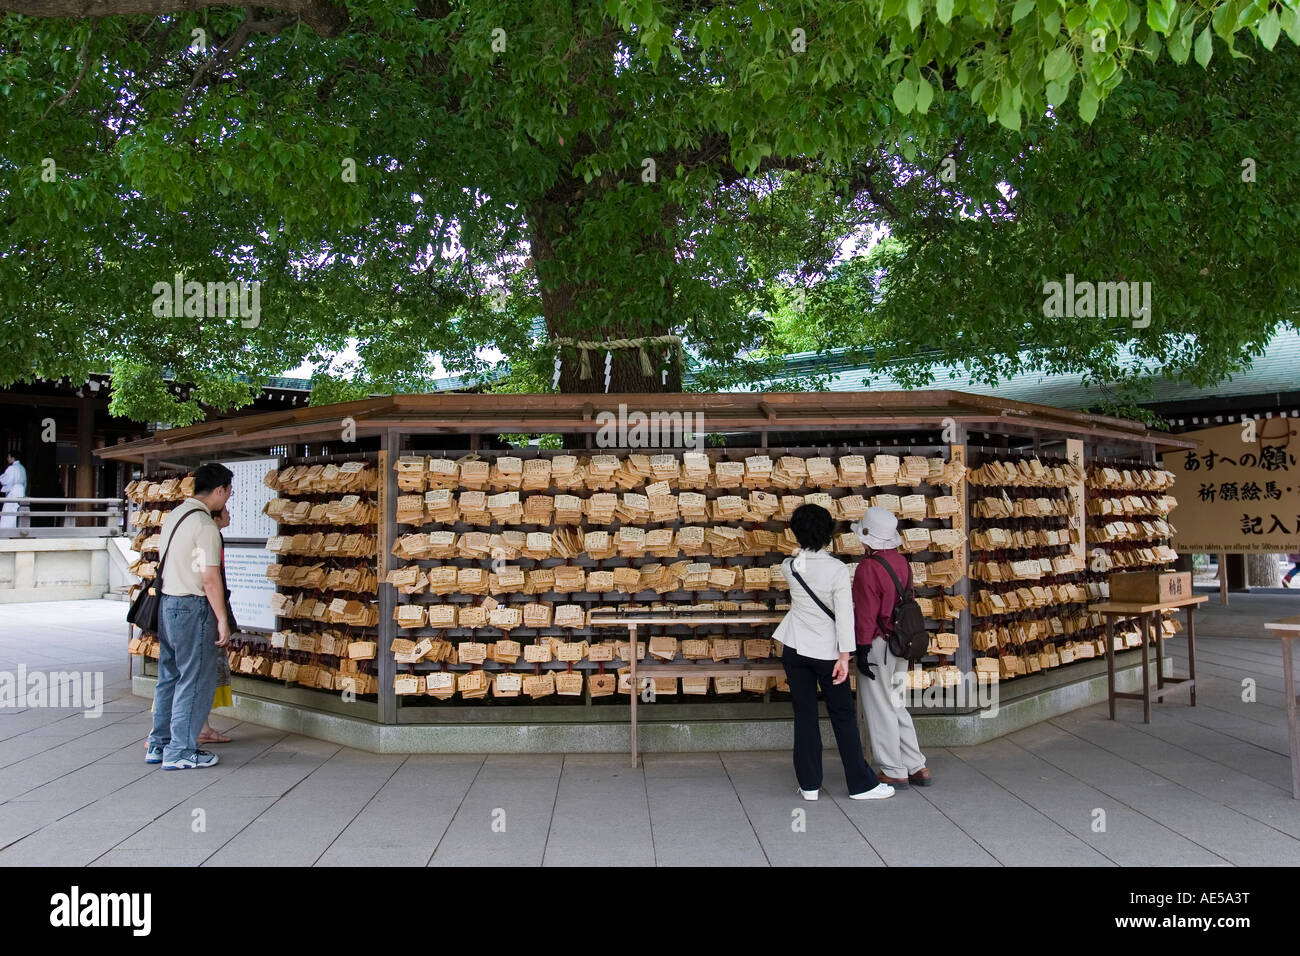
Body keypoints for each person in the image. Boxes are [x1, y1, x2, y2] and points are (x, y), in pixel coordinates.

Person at [775, 503, 893, 801]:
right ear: (829, 534)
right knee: (842, 717)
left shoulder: (788, 566)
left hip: (795, 647)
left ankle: (809, 785)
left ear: (796, 533)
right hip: (827, 652)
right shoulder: (838, 569)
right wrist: (845, 656)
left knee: (804, 716)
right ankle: (860, 784)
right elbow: (844, 616)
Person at [145, 462, 233, 770]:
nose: (228, 499)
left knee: (169, 677)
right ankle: (181, 751)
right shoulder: (205, 526)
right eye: (229, 492)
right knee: (195, 680)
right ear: (219, 489)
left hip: (167, 604)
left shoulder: (176, 515)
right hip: (193, 607)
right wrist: (222, 618)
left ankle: (159, 744)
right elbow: (209, 578)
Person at [852, 506, 931, 788]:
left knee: (879, 707)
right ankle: (916, 765)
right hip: (900, 643)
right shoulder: (901, 563)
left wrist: (860, 650)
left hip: (877, 644)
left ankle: (892, 768)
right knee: (897, 704)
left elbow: (865, 614)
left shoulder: (867, 568)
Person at [199, 505, 234, 745]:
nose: (230, 515)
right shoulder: (211, 534)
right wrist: (222, 617)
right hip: (205, 611)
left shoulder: (213, 534)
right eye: (226, 511)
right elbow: (211, 578)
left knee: (202, 670)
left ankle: (202, 726)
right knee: (200, 671)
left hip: (203, 609)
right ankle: (163, 734)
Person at [0, 451, 27, 529]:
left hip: (14, 491)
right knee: (17, 510)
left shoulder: (12, 468)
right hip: (21, 491)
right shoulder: (22, 468)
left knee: (10, 510)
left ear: (13, 458)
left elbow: (7, 480)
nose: (7, 459)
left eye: (9, 457)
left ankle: (8, 529)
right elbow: (25, 481)